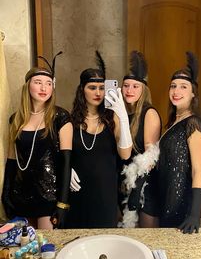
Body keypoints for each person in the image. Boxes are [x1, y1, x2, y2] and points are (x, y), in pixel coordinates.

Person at [1, 54, 73, 229]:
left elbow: (66, 162)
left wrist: (62, 204)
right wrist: (6, 195)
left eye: (48, 83)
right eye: (38, 82)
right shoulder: (15, 119)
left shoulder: (60, 116)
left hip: (49, 196)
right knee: (25, 250)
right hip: (21, 194)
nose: (44, 87)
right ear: (28, 86)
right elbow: (12, 160)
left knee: (45, 248)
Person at [67, 52, 132, 228]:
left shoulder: (113, 119)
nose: (98, 92)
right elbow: (63, 154)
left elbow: (125, 154)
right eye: (92, 87)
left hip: (105, 195)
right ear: (82, 90)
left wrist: (123, 116)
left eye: (101, 88)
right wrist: (66, 169)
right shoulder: (70, 122)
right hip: (78, 194)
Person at [157, 52, 201, 233]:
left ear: (193, 93)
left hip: (180, 203)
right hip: (164, 198)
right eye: (173, 86)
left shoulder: (194, 123)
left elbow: (198, 170)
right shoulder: (172, 123)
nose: (176, 91)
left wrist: (194, 214)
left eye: (183, 87)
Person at [120, 51, 161, 228]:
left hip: (145, 185)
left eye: (135, 86)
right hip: (124, 182)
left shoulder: (149, 113)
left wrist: (136, 189)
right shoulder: (122, 114)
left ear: (143, 89)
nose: (129, 90)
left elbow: (150, 157)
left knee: (146, 239)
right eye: (126, 85)